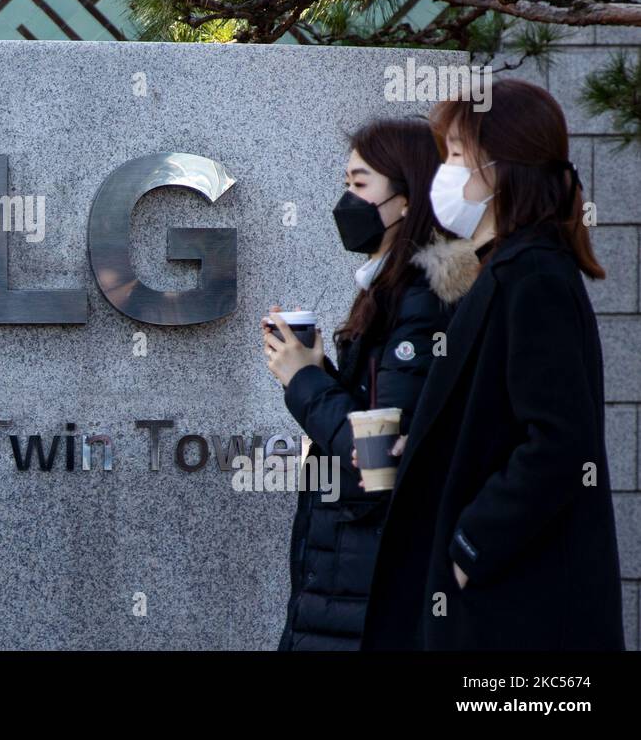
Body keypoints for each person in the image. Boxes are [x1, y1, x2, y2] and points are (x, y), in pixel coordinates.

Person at [361, 79, 625, 651]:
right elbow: (495, 418)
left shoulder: (532, 277)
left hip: (515, 610)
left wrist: (470, 549)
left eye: (457, 154)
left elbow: (558, 442)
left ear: (503, 167)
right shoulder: (505, 270)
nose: (444, 172)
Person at [265, 117, 479, 650]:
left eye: (360, 185)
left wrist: (303, 379)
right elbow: (378, 409)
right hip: (348, 582)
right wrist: (322, 370)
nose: (346, 200)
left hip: (368, 586)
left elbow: (380, 459)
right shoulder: (391, 291)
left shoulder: (421, 300)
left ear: (405, 200)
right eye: (345, 183)